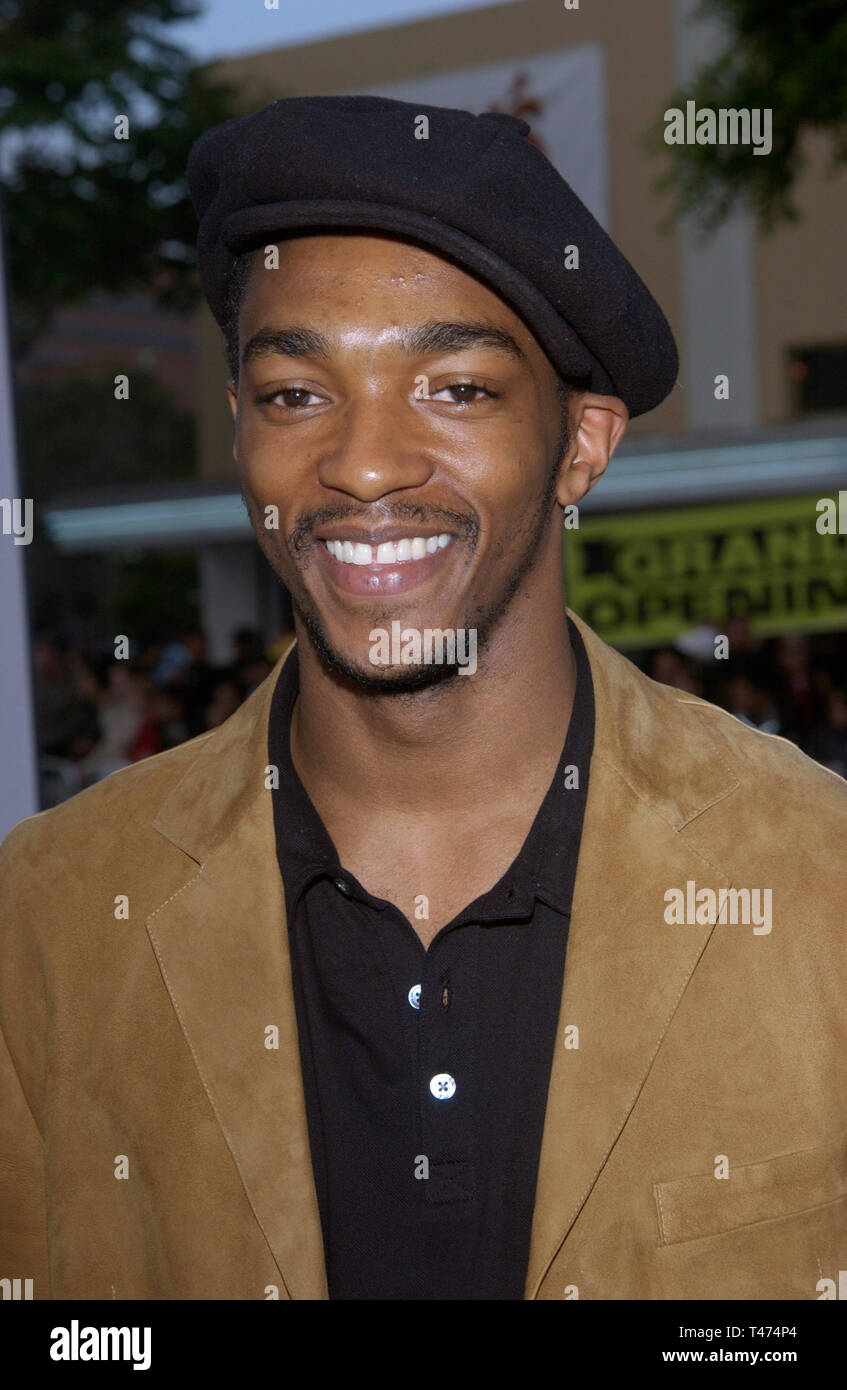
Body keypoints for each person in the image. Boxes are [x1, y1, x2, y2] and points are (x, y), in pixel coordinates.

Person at [1, 96, 845, 1302]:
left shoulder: (819, 881)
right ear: (239, 424)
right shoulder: (47, 916)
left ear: (580, 447)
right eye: (297, 393)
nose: (362, 461)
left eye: (454, 388)